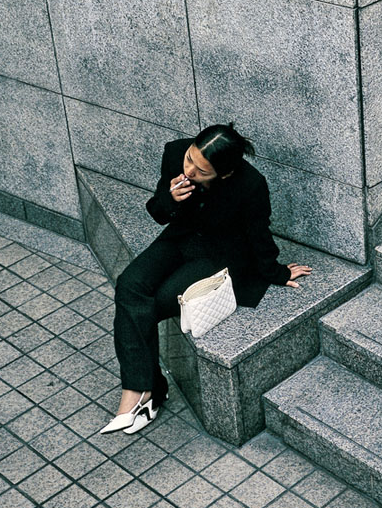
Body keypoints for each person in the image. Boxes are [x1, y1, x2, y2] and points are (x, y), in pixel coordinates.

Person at [99, 123, 311, 434]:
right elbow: (157, 211)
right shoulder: (175, 151)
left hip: (217, 254)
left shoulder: (250, 185)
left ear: (222, 174)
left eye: (201, 170)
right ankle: (143, 390)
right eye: (189, 160)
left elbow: (259, 235)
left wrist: (277, 273)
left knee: (154, 303)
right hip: (179, 239)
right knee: (130, 286)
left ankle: (147, 394)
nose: (190, 170)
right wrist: (171, 198)